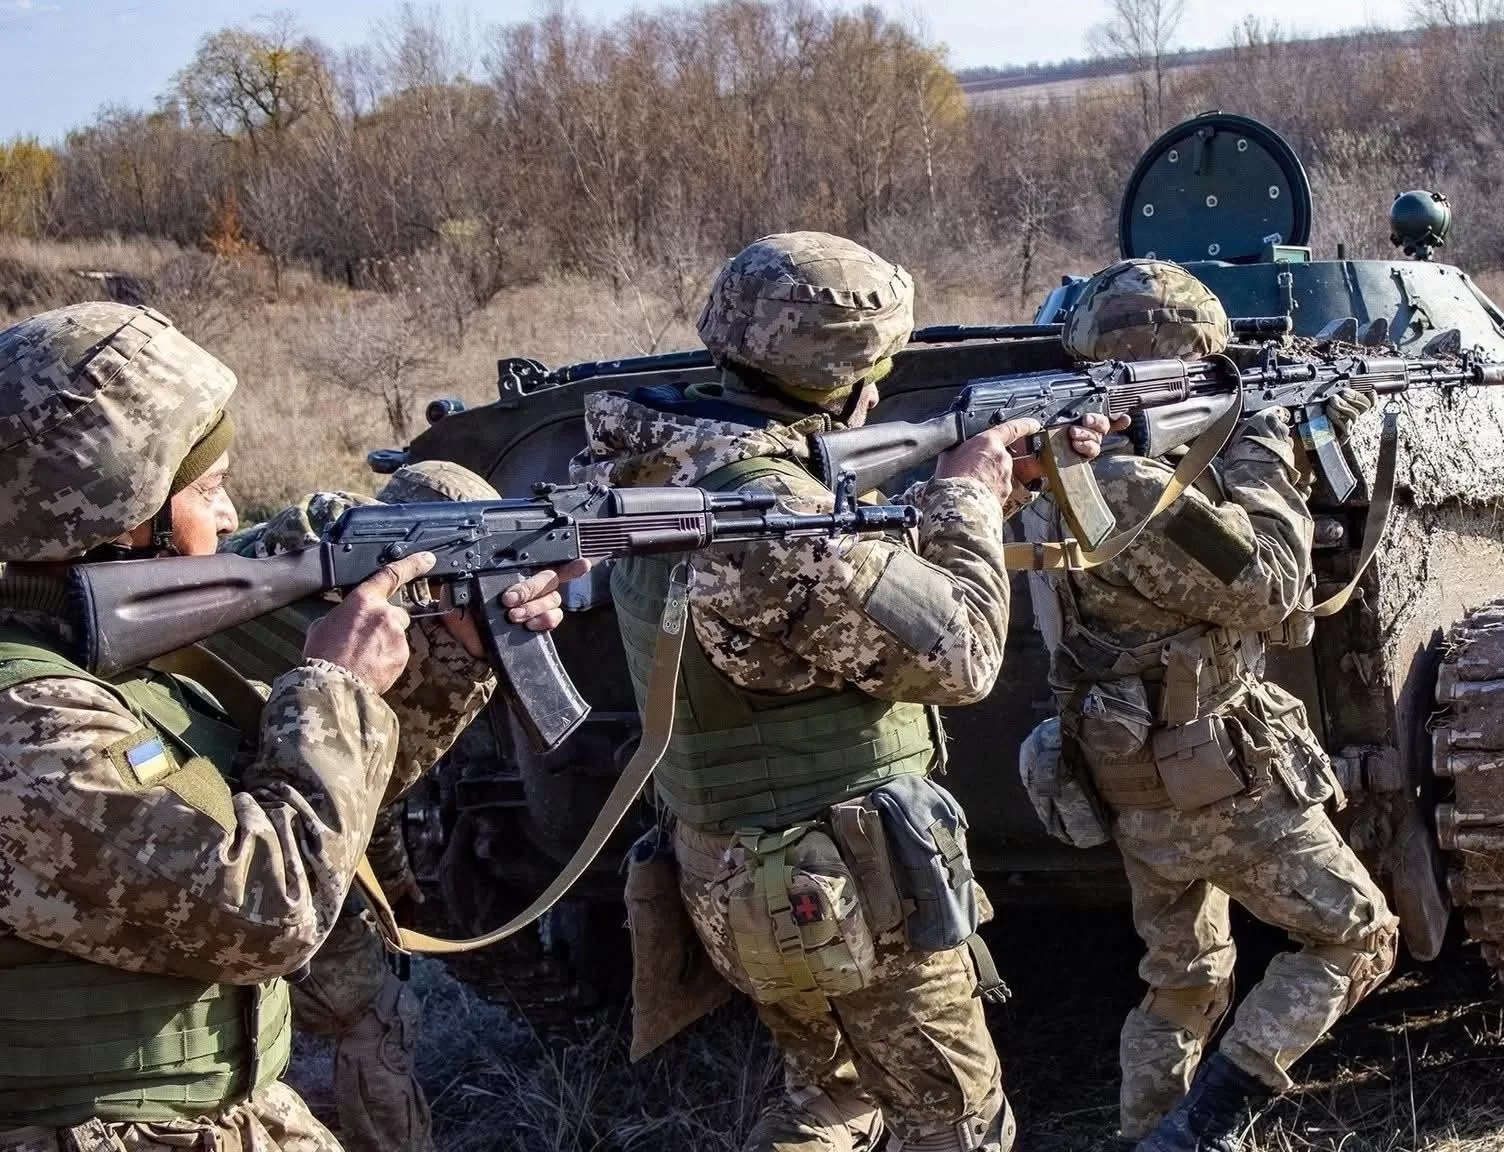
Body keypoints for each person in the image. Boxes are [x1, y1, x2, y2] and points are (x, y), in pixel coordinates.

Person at [573, 232, 1109, 1152]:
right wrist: (968, 498)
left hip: (740, 866)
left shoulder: (660, 463)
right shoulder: (772, 515)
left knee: (831, 1100)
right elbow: (965, 655)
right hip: (840, 882)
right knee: (959, 1128)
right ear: (854, 377)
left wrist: (998, 494)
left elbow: (838, 606)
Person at [0, 303, 577, 1152]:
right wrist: (337, 684)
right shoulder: (33, 722)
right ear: (122, 513)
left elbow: (306, 808)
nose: (231, 516)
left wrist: (448, 655)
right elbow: (268, 908)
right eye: (207, 489)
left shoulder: (108, 655)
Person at [1021, 260, 1400, 1152]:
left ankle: (1149, 1136)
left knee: (1185, 979)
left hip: (1128, 770)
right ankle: (1209, 1124)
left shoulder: (1060, 470)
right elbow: (1275, 587)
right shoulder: (1127, 486)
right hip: (1209, 776)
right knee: (1357, 938)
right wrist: (1262, 448)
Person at [213, 461, 505, 1152]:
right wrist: (469, 661)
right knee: (373, 1016)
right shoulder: (368, 625)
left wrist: (392, 875)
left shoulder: (289, 568)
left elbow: (360, 788)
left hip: (260, 833)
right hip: (253, 852)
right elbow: (361, 779)